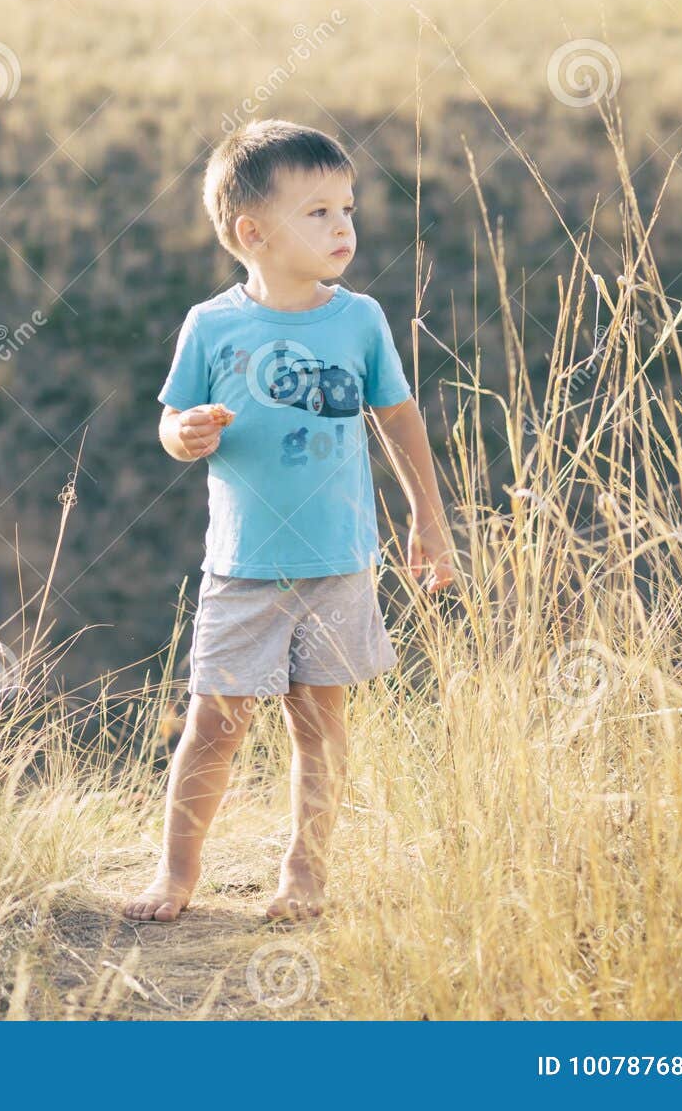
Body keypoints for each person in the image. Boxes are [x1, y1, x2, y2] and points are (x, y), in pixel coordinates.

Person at [123, 119, 456, 923]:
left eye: (348, 207)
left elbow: (399, 420)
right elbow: (170, 425)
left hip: (340, 560)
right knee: (214, 724)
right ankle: (175, 875)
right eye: (318, 212)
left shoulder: (360, 320)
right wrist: (186, 434)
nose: (344, 226)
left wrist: (428, 519)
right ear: (252, 232)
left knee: (319, 723)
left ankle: (304, 875)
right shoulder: (213, 326)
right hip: (242, 566)